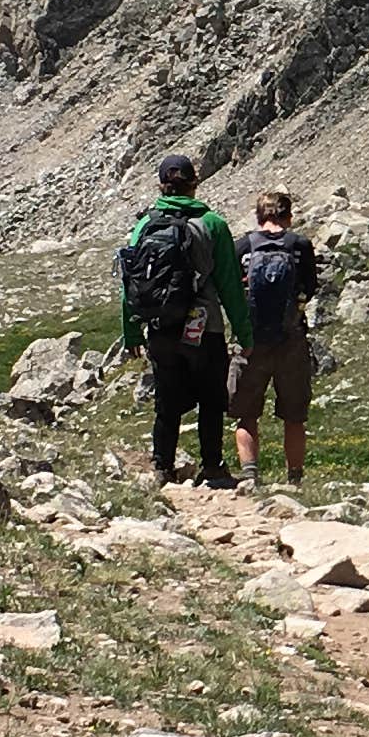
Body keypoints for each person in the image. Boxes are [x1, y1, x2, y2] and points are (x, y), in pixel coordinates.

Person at [116, 151, 248, 487]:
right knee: (210, 397)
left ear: (161, 186)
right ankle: (213, 467)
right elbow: (230, 285)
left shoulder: (145, 225)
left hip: (160, 327)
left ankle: (162, 466)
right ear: (194, 184)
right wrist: (244, 333)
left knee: (167, 398)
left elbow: (130, 280)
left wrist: (132, 332)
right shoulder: (213, 224)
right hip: (206, 327)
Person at [230, 189, 320, 488]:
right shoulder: (300, 245)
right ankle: (294, 479)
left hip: (250, 340)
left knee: (245, 414)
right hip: (290, 340)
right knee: (294, 416)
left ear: (259, 217)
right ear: (288, 216)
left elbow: (229, 289)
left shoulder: (243, 245)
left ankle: (250, 476)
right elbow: (311, 286)